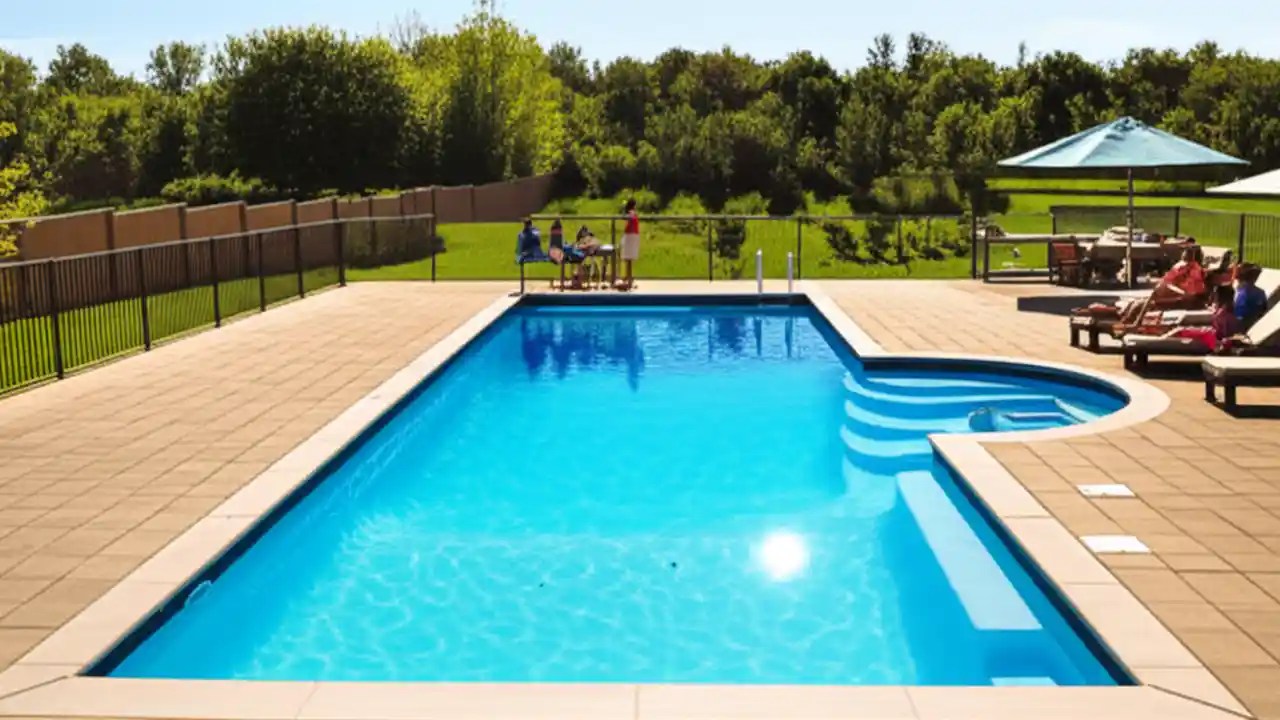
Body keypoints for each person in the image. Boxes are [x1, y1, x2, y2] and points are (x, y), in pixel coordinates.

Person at [1235, 263, 1268, 330]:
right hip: (1253, 323)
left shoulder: (1239, 291)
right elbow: (1264, 309)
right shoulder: (1260, 292)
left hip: (1242, 322)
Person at [618, 199, 640, 290]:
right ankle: (628, 278)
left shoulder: (632, 213)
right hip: (631, 236)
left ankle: (628, 278)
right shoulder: (632, 213)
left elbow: (626, 217)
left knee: (628, 259)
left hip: (631, 236)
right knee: (628, 259)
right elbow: (626, 217)